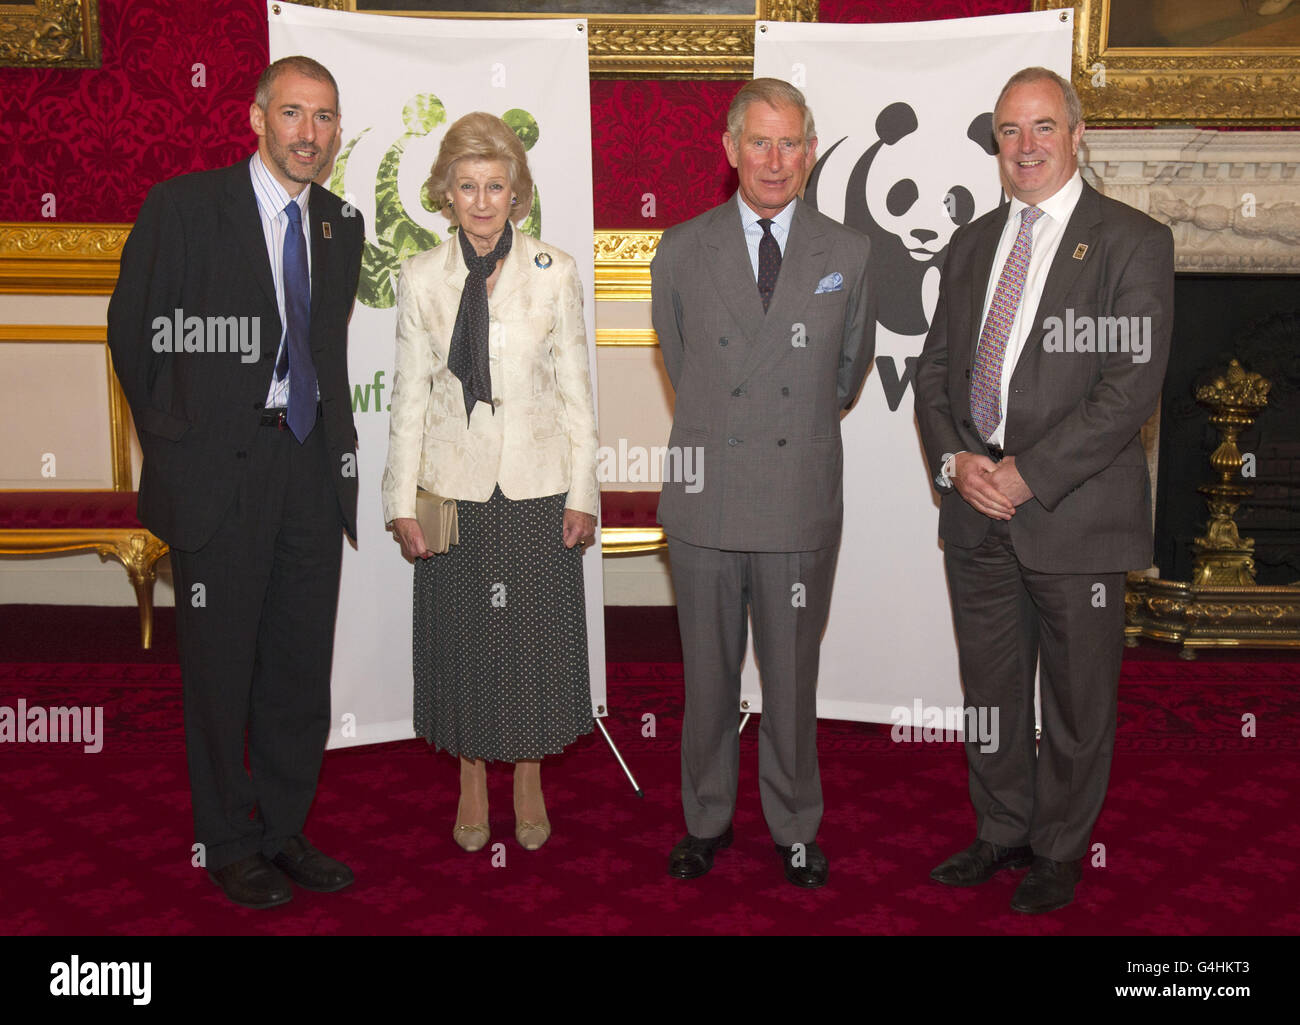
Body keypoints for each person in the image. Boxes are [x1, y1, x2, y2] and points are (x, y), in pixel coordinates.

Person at [107, 56, 365, 909]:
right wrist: (177, 448)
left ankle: (285, 828)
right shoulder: (184, 208)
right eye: (293, 114)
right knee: (219, 666)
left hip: (306, 465)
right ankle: (226, 838)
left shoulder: (339, 222)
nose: (309, 134)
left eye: (324, 119)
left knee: (299, 661)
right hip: (221, 473)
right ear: (257, 118)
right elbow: (133, 337)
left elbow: (323, 349)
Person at [914, 67, 1174, 913]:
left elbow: (1129, 386)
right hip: (975, 506)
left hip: (1074, 514)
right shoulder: (971, 244)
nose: (1024, 147)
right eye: (1009, 132)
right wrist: (958, 461)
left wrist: (1029, 472)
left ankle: (1061, 847)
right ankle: (1002, 829)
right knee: (989, 689)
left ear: (1076, 133)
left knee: (1076, 696)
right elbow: (936, 375)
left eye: (1042, 129)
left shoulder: (1133, 240)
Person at [651, 79, 874, 889]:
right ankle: (705, 819)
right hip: (706, 493)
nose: (775, 161)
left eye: (791, 144)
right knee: (707, 679)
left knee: (789, 680)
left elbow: (844, 376)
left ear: (811, 152)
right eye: (759, 142)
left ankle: (795, 826)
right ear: (730, 149)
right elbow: (685, 366)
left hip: (797, 496)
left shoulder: (848, 253)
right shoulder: (680, 248)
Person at [381, 112, 598, 854]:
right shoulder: (421, 278)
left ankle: (529, 776)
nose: (480, 201)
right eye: (466, 186)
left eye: (495, 186)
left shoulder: (555, 271)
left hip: (537, 487)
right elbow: (409, 397)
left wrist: (583, 492)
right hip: (448, 489)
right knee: (463, 640)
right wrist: (400, 499)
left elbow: (577, 393)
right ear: (445, 193)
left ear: (518, 194)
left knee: (532, 639)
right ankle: (472, 777)